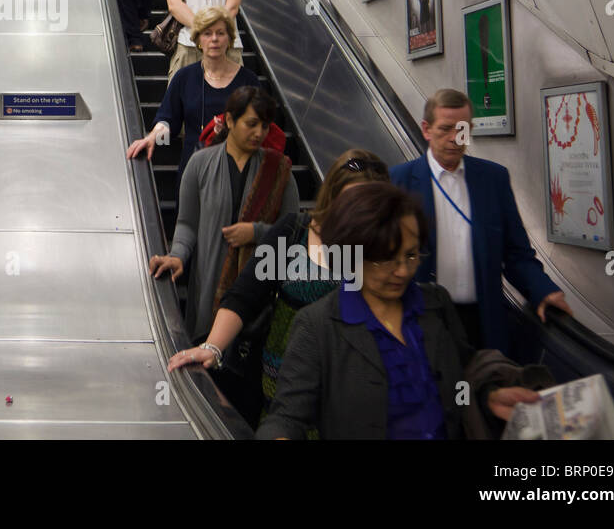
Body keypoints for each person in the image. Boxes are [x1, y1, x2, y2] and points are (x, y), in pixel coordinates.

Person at [256, 181, 548, 440]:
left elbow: (460, 372)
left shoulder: (435, 304)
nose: (403, 271)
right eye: (386, 259)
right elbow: (287, 416)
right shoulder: (318, 326)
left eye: (410, 255)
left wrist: (487, 395)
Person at [169, 149, 391, 430]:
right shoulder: (295, 232)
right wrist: (212, 347)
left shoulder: (385, 248)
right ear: (333, 195)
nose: (357, 211)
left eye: (370, 204)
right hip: (284, 383)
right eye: (351, 200)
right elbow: (245, 295)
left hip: (351, 387)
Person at [391, 88, 569, 353]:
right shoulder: (399, 181)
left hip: (483, 322)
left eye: (462, 129)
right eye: (445, 129)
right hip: (422, 320)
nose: (454, 138)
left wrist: (544, 290)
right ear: (426, 130)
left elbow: (516, 252)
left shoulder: (493, 179)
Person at [149, 87, 297, 351]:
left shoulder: (279, 171)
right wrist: (178, 255)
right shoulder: (199, 164)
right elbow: (187, 223)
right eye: (251, 124)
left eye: (264, 126)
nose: (259, 133)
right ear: (230, 120)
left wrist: (257, 232)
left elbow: (295, 233)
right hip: (208, 282)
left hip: (259, 288)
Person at [127, 6, 259, 190]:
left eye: (220, 33)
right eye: (207, 33)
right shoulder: (184, 77)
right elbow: (167, 119)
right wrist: (151, 138)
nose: (214, 39)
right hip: (194, 169)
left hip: (238, 173)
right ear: (198, 39)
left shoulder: (248, 80)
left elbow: (261, 127)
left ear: (229, 38)